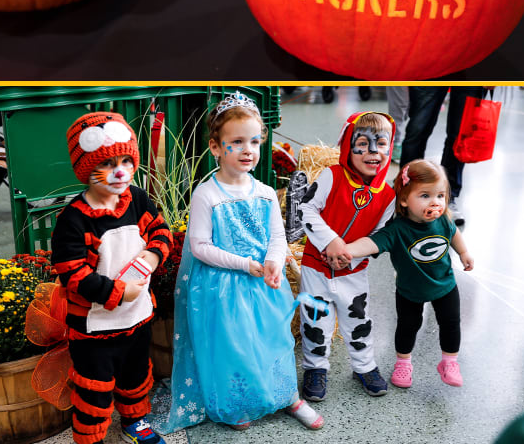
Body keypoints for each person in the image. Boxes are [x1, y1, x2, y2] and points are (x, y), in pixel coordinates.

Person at [164, 92, 323, 432]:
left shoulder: (264, 192)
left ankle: (288, 396)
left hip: (263, 284)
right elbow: (202, 246)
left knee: (275, 339)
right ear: (216, 148)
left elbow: (276, 238)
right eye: (236, 142)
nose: (248, 149)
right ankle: (239, 401)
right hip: (223, 287)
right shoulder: (207, 194)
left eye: (254, 140)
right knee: (234, 345)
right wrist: (245, 265)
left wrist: (273, 263)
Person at [51, 111, 173, 444]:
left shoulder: (137, 199)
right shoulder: (73, 221)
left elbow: (161, 230)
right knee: (94, 387)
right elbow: (73, 275)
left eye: (125, 161)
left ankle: (136, 421)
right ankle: (90, 437)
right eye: (106, 164)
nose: (119, 172)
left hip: (137, 317)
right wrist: (118, 292)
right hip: (94, 328)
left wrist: (153, 253)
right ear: (85, 169)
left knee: (136, 376)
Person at [343, 160, 474, 388]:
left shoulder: (442, 219)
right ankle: (403, 362)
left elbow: (454, 234)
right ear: (404, 200)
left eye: (440, 196)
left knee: (451, 322)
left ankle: (449, 362)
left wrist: (463, 252)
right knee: (408, 325)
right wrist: (346, 249)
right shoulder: (398, 230)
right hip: (410, 290)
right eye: (425, 195)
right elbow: (372, 243)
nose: (436, 202)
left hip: (444, 284)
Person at [295, 111, 397, 401]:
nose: (372, 152)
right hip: (316, 268)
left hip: (354, 272)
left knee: (359, 322)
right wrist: (332, 242)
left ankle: (364, 367)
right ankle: (316, 367)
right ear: (346, 146)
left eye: (381, 143)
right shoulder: (332, 176)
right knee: (315, 321)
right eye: (362, 143)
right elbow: (307, 208)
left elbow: (381, 236)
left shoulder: (386, 196)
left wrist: (348, 253)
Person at [399, 86, 486, 225]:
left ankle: (446, 197)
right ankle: (405, 191)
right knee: (417, 128)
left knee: (459, 136)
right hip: (432, 67)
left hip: (470, 72)